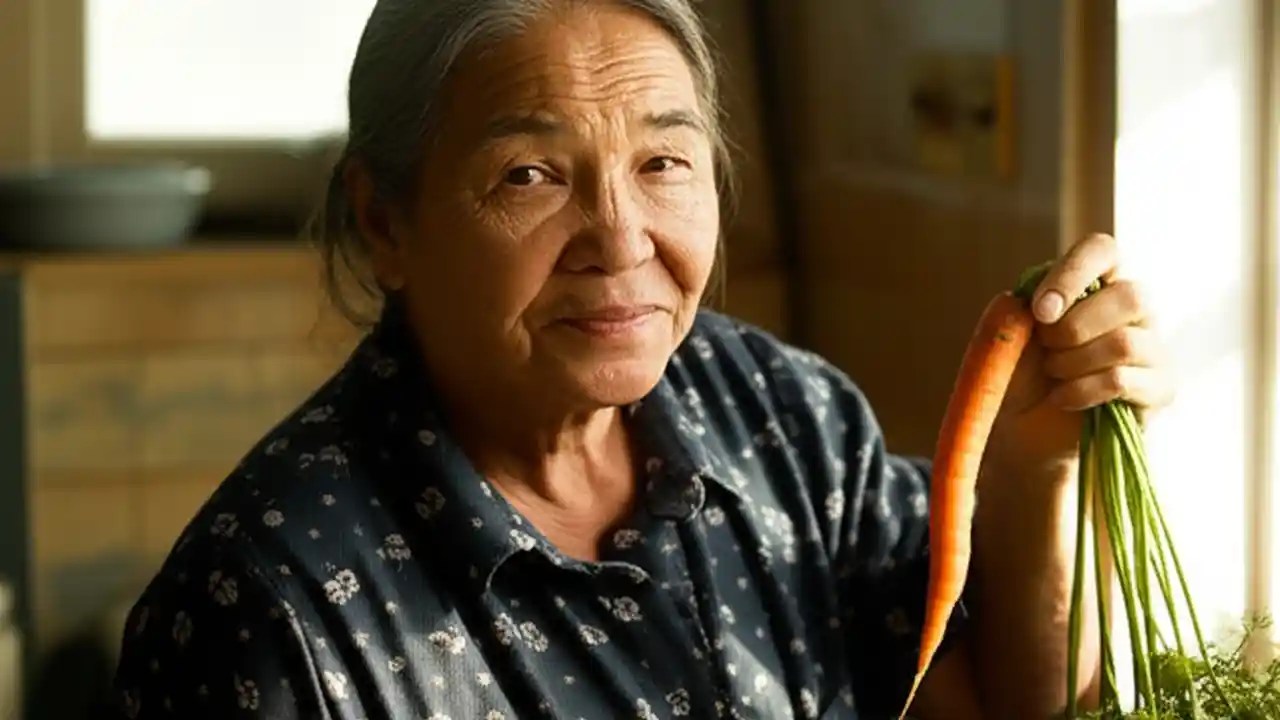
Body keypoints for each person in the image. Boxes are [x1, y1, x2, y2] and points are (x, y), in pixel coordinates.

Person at [109, 1, 1172, 718]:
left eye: (663, 161)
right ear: (385, 222)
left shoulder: (786, 415)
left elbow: (982, 700)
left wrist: (1035, 472)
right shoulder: (268, 607)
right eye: (529, 174)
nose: (620, 239)